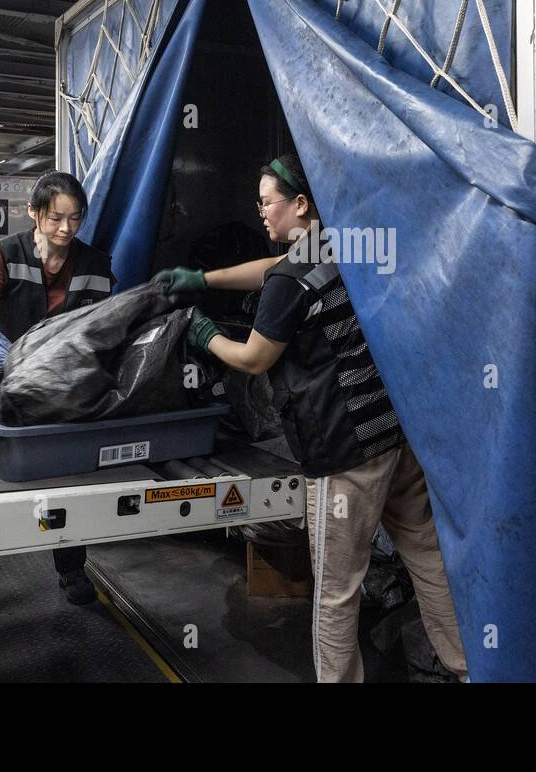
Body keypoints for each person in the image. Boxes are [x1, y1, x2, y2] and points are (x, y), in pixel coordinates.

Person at [154, 153, 468, 682]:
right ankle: (469, 669)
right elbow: (274, 271)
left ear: (299, 204)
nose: (261, 212)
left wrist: (208, 336)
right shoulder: (345, 246)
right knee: (430, 561)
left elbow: (255, 358)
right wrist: (205, 278)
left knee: (336, 590)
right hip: (391, 435)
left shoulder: (291, 279)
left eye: (268, 202)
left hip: (343, 451)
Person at [0, 172, 116, 640]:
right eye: (55, 217)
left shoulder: (97, 263)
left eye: (75, 218)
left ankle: (71, 569)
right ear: (35, 214)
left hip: (62, 391)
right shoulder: (7, 252)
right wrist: (19, 362)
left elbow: (103, 329)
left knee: (66, 480)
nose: (65, 228)